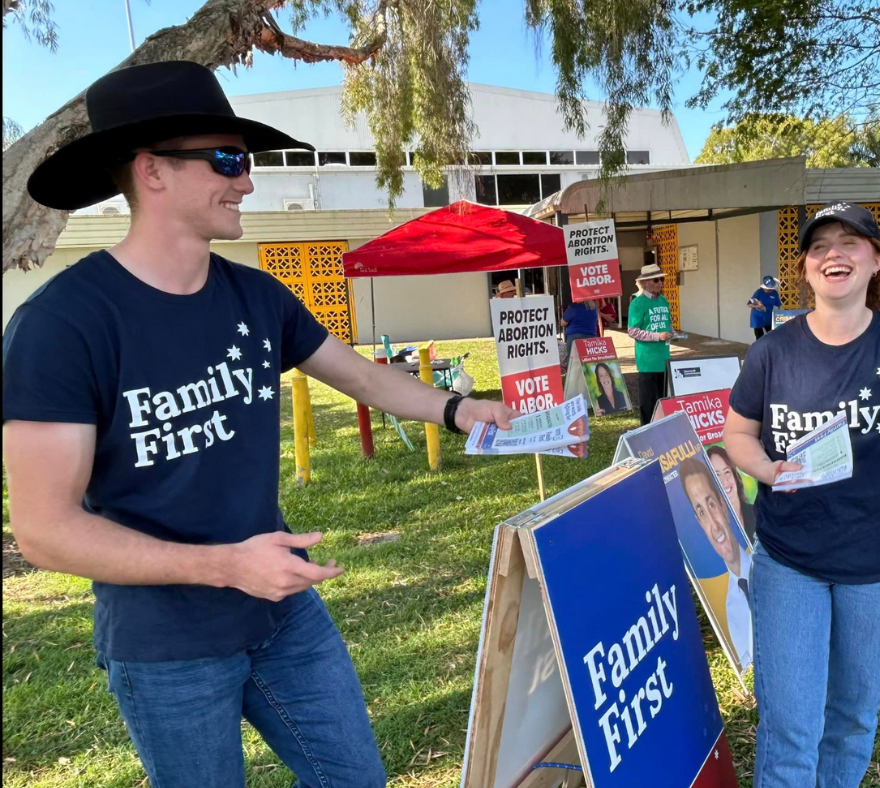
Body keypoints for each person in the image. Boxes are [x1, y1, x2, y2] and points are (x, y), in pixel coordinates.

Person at [2, 62, 517, 788]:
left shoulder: (257, 297)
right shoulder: (61, 325)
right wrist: (224, 565)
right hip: (166, 648)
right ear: (152, 172)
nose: (247, 180)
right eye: (228, 159)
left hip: (283, 618)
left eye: (246, 162)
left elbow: (363, 377)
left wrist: (462, 409)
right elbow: (43, 528)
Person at [723, 200, 880, 788]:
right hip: (790, 561)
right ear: (804, 268)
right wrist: (767, 470)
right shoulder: (773, 351)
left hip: (876, 567)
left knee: (850, 721)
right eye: (819, 246)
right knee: (791, 730)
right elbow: (737, 433)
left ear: (876, 260)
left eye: (849, 242)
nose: (833, 254)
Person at [678, 458, 752, 668]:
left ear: (723, 506)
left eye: (711, 504)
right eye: (702, 512)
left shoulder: (767, 566)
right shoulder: (729, 610)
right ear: (699, 523)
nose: (714, 525)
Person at [627, 264, 673, 425]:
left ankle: (662, 427)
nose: (660, 283)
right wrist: (657, 336)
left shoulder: (664, 300)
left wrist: (672, 334)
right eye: (656, 280)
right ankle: (646, 430)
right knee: (647, 402)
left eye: (661, 279)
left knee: (664, 400)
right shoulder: (637, 303)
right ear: (645, 283)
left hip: (664, 359)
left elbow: (668, 324)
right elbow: (632, 331)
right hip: (647, 361)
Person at [707, 445, 756, 544]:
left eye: (727, 472)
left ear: (735, 476)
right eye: (717, 476)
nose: (724, 481)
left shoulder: (758, 513)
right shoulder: (716, 531)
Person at [747, 275, 782, 339]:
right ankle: (760, 348)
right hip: (758, 317)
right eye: (768, 289)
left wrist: (781, 314)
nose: (769, 290)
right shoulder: (758, 292)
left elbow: (779, 305)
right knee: (759, 337)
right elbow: (749, 304)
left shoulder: (774, 293)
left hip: (768, 317)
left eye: (771, 289)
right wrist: (757, 305)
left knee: (772, 335)